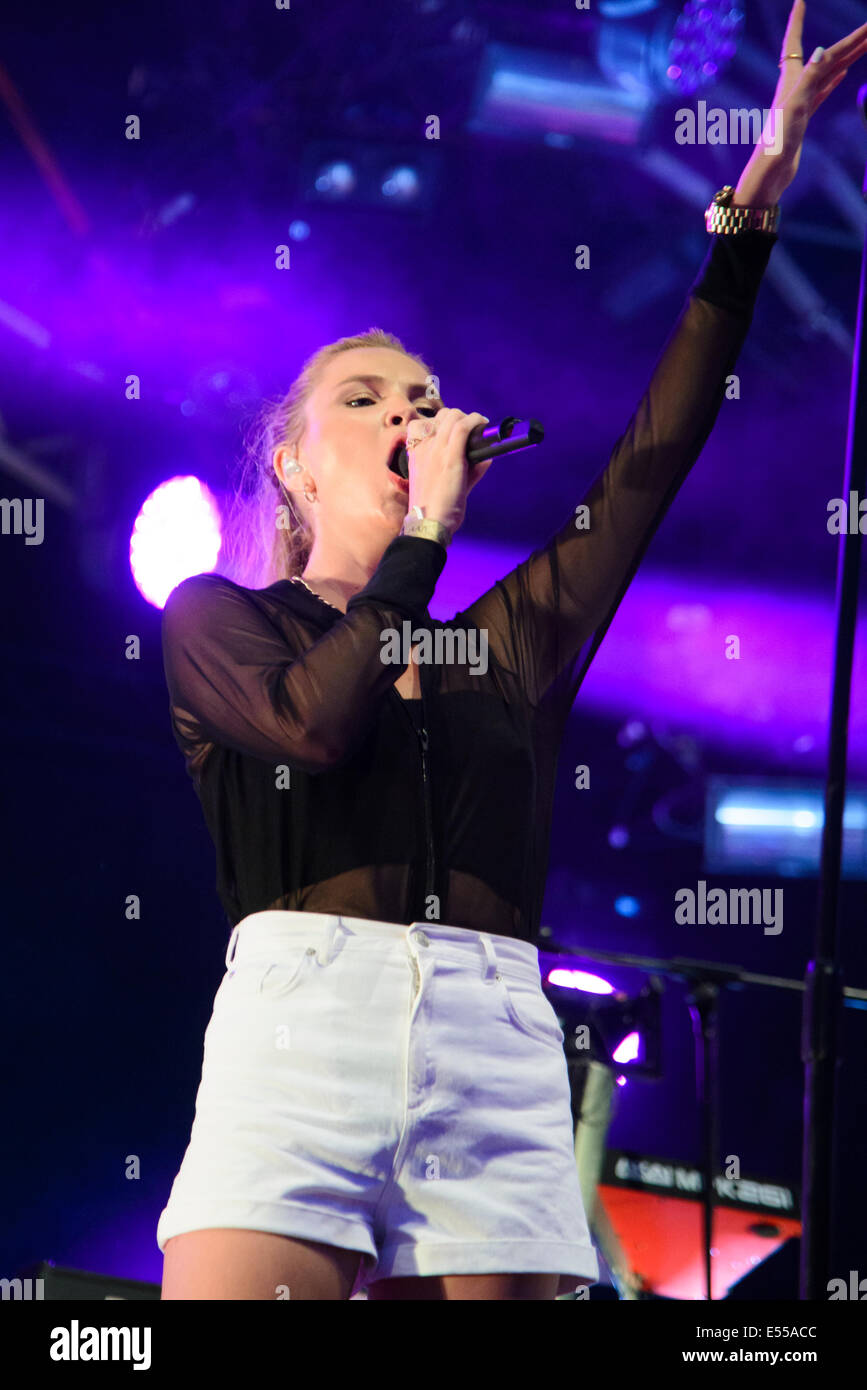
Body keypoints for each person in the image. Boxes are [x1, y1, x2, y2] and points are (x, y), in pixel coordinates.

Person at [155, 5, 867, 1299]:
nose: (406, 413)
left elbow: (653, 458)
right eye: (363, 400)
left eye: (421, 398)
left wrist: (753, 203)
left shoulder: (506, 641)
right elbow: (315, 726)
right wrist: (425, 532)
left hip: (494, 1035)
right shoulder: (221, 616)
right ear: (294, 464)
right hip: (298, 1028)